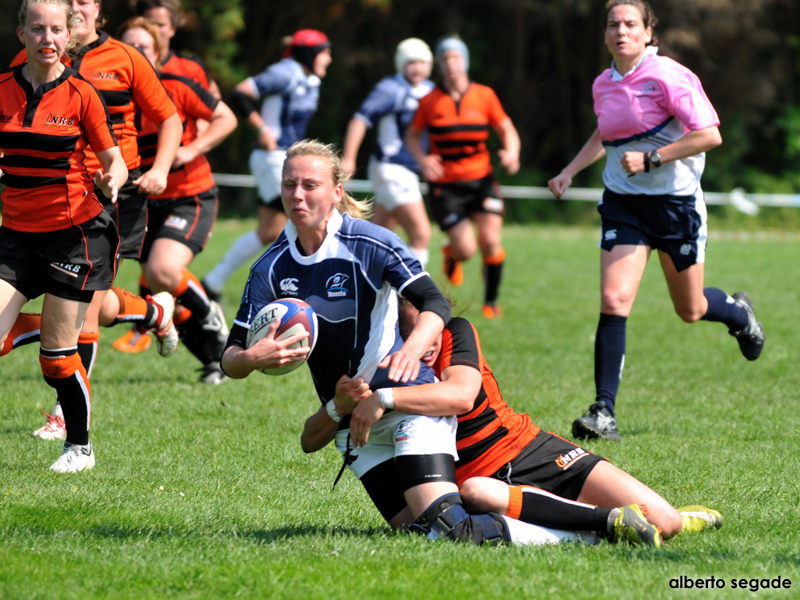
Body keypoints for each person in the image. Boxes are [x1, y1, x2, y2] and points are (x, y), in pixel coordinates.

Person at [220, 140, 598, 547]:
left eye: (310, 185)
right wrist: (253, 357)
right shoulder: (270, 266)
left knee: (452, 528)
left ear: (336, 192)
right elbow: (230, 355)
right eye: (289, 184)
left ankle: (601, 528)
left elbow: (434, 301)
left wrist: (414, 346)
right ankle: (572, 525)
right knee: (419, 534)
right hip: (353, 426)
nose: (297, 194)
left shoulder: (370, 243)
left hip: (407, 405)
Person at [547, 0, 765, 441]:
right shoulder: (603, 84)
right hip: (624, 204)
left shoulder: (670, 76)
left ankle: (739, 315)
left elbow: (710, 135)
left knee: (691, 309)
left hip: (675, 205)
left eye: (630, 24)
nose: (620, 31)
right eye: (613, 25)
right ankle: (602, 412)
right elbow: (605, 133)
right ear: (605, 33)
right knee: (614, 300)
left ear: (649, 32)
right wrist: (570, 170)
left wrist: (652, 158)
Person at [343, 300, 723, 544]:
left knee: (666, 523)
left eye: (423, 332)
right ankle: (606, 524)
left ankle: (678, 519)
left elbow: (459, 395)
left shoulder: (457, 331)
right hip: (482, 483)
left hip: (531, 449)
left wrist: (385, 399)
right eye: (404, 337)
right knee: (478, 491)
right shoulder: (379, 369)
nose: (417, 347)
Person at [11, 0, 184, 439]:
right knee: (99, 307)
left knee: (84, 316)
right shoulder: (27, 62)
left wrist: (159, 169)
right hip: (46, 200)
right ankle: (152, 312)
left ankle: (64, 415)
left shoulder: (125, 57)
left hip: (112, 196)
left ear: (93, 10)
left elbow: (167, 117)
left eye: (82, 2)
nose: (74, 8)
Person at [0, 0, 127, 471]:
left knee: (57, 359)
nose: (47, 39)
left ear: (68, 36)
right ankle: (44, 327)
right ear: (22, 34)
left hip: (74, 234)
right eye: (37, 29)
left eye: (56, 30)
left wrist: (113, 178)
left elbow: (113, 159)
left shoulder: (81, 94)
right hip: (15, 234)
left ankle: (79, 446)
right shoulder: (1, 89)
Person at [116, 17, 237, 383]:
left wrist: (192, 149)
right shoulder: (108, 100)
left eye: (144, 48)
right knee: (157, 289)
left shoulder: (178, 86)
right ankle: (213, 359)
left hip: (190, 196)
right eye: (128, 48)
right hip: (140, 202)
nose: (136, 54)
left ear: (156, 56)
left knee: (162, 271)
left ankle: (211, 313)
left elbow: (225, 117)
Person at [201, 30, 332, 302]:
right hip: (275, 159)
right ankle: (307, 291)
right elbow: (239, 93)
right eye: (325, 52)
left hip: (286, 161)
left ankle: (211, 283)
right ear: (309, 54)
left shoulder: (311, 80)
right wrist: (261, 129)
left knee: (270, 231)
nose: (329, 59)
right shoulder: (285, 72)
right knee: (312, 221)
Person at [406, 36, 520, 319]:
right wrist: (423, 159)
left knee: (491, 240)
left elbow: (506, 128)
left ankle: (491, 302)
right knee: (467, 250)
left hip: (481, 180)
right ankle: (452, 252)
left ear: (465, 61)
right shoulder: (430, 101)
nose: (451, 63)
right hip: (446, 187)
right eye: (445, 59)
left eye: (455, 57)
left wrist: (512, 152)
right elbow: (412, 135)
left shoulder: (484, 95)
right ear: (439, 65)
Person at [341, 38, 434, 268]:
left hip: (407, 172)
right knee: (421, 234)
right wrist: (349, 158)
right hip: (391, 168)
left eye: (422, 62)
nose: (417, 67)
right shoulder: (390, 88)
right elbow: (360, 120)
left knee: (378, 237)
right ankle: (413, 298)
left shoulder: (431, 91)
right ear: (401, 64)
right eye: (411, 62)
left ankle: (358, 285)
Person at [134, 0, 220, 97]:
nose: (154, 30)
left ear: (172, 29)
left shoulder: (192, 68)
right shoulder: (129, 67)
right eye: (149, 24)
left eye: (160, 25)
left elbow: (214, 106)